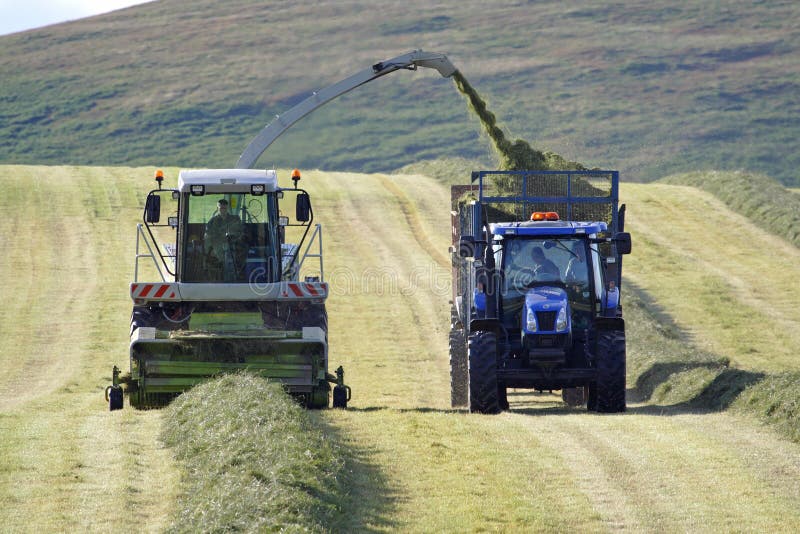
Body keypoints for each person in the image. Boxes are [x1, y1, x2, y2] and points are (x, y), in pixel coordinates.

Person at [204, 199, 244, 280]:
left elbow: (240, 232)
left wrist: (233, 238)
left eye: (224, 208)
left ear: (227, 208)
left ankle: (239, 274)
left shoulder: (235, 219)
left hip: (234, 244)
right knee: (219, 261)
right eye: (221, 208)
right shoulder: (212, 221)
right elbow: (208, 235)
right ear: (217, 208)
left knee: (244, 250)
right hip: (217, 246)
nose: (223, 210)